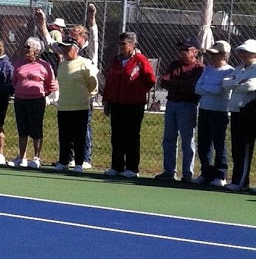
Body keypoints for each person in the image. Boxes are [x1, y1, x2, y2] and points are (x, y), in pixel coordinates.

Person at [101, 30, 156, 177]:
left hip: (134, 104)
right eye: (119, 44)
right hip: (117, 103)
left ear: (133, 45)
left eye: (124, 44)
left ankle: (132, 168)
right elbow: (110, 81)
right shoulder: (115, 60)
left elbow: (150, 79)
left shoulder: (140, 59)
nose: (121, 47)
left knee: (131, 136)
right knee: (117, 136)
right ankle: (117, 166)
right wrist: (106, 101)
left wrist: (138, 90)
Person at [155, 40, 202, 181]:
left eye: (186, 50)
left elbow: (192, 86)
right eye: (181, 50)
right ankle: (169, 171)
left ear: (195, 52)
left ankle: (187, 173)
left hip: (188, 105)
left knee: (187, 140)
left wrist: (176, 84)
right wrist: (179, 85)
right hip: (172, 104)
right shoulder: (175, 64)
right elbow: (163, 81)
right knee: (169, 138)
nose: (183, 53)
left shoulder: (199, 68)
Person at [53, 37, 99, 171]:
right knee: (64, 136)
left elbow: (92, 83)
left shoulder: (85, 63)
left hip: (80, 106)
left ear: (75, 49)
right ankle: (63, 161)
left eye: (67, 48)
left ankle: (79, 163)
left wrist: (86, 96)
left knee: (79, 136)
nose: (64, 50)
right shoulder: (61, 65)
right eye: (63, 48)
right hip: (63, 107)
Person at [10, 37, 56, 168]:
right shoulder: (19, 64)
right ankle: (22, 157)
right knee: (22, 129)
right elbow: (14, 81)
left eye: (28, 47)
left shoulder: (44, 65)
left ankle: (36, 157)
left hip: (36, 100)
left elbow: (51, 84)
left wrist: (42, 94)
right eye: (25, 47)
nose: (25, 50)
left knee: (36, 128)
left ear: (36, 50)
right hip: (20, 100)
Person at [194, 41, 236, 186]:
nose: (211, 57)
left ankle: (220, 174)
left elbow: (221, 90)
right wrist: (211, 88)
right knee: (204, 143)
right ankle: (206, 172)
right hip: (204, 110)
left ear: (223, 55)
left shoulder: (230, 71)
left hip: (219, 112)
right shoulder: (207, 69)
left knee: (219, 143)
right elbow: (197, 88)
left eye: (215, 54)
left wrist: (208, 88)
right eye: (210, 54)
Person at [228, 39, 256, 193]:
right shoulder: (239, 69)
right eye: (242, 52)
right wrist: (239, 82)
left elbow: (251, 85)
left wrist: (236, 83)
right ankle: (239, 180)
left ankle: (241, 182)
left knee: (245, 148)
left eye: (247, 52)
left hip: (250, 113)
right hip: (237, 112)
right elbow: (225, 83)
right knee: (237, 147)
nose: (243, 55)